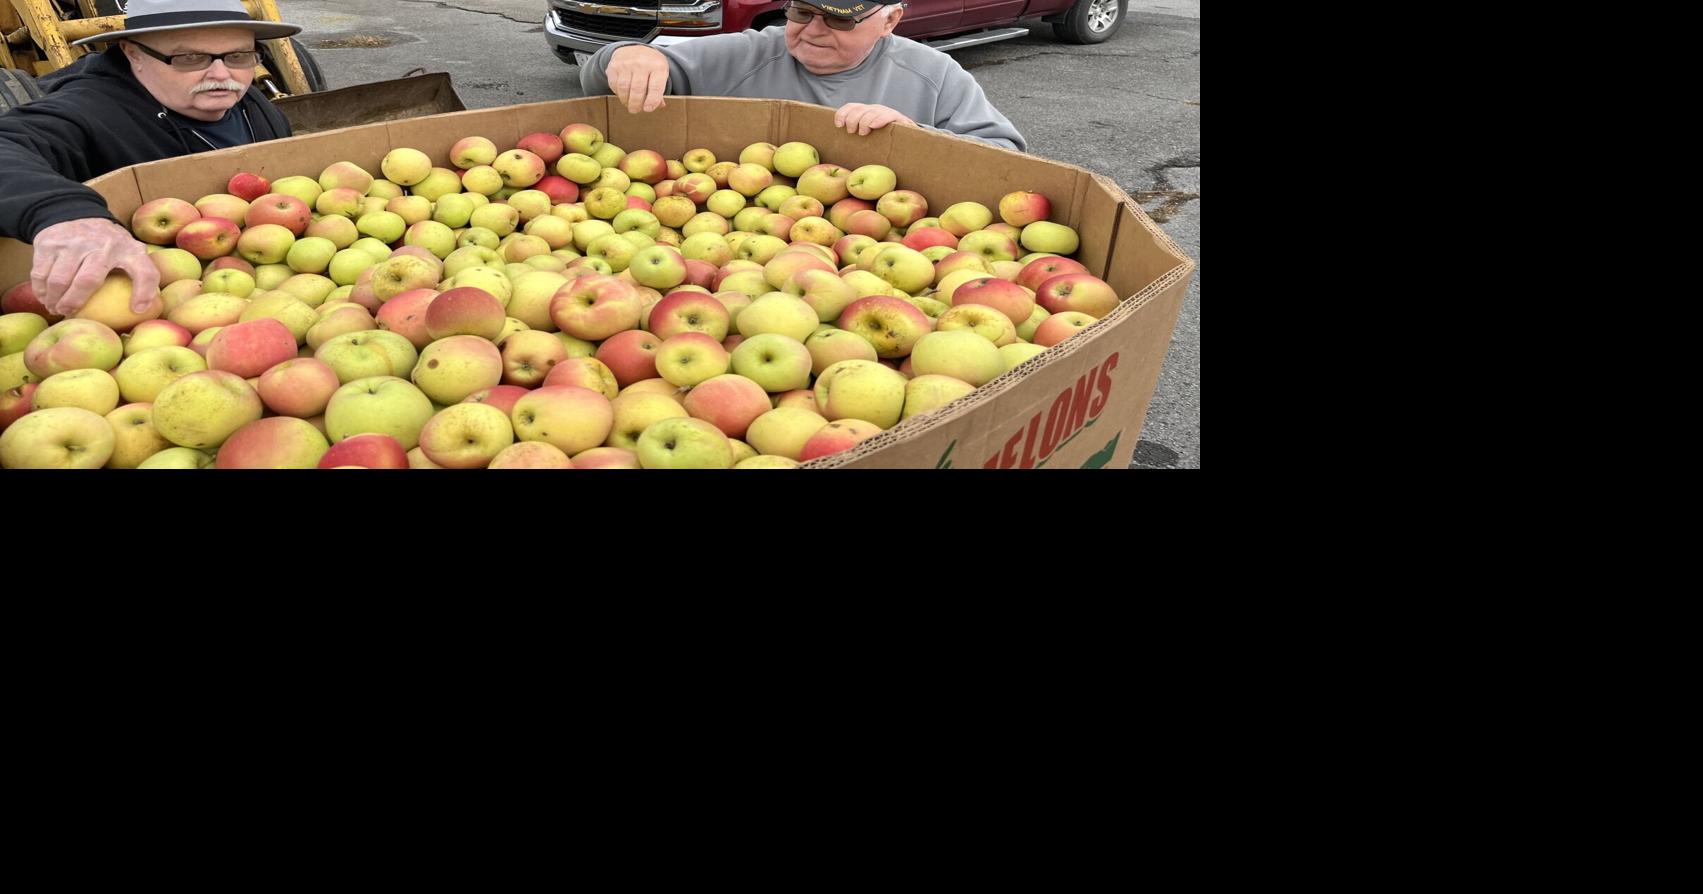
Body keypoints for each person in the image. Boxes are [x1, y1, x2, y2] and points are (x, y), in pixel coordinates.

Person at [0, 0, 302, 317]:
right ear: (134, 54)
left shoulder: (252, 102)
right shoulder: (88, 111)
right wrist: (63, 213)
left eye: (238, 55)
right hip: (137, 302)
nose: (222, 73)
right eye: (191, 57)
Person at [580, 1, 1026, 152]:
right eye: (801, 11)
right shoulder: (746, 53)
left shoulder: (932, 75)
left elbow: (1006, 155)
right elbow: (606, 80)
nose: (812, 30)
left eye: (839, 20)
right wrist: (626, 55)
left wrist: (916, 137)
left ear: (890, 20)